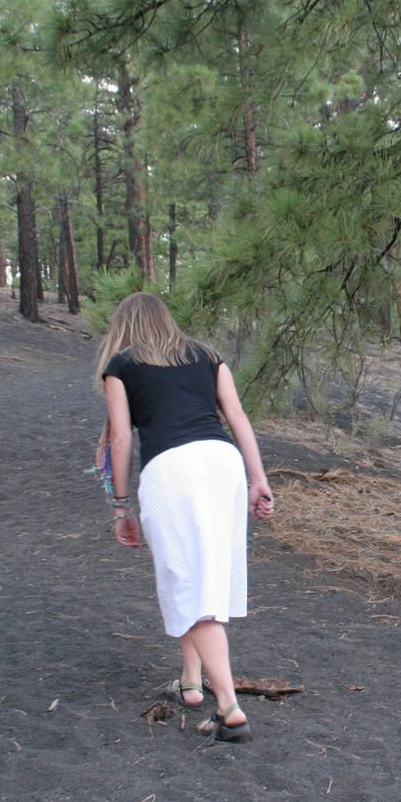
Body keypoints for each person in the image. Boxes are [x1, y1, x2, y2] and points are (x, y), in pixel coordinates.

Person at [94, 292, 273, 742]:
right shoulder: (207, 356)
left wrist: (119, 505)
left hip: (172, 470)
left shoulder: (122, 364)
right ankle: (192, 680)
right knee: (199, 574)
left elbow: (120, 438)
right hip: (222, 462)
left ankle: (229, 705)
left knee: (187, 581)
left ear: (124, 326)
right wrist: (258, 478)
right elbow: (235, 414)